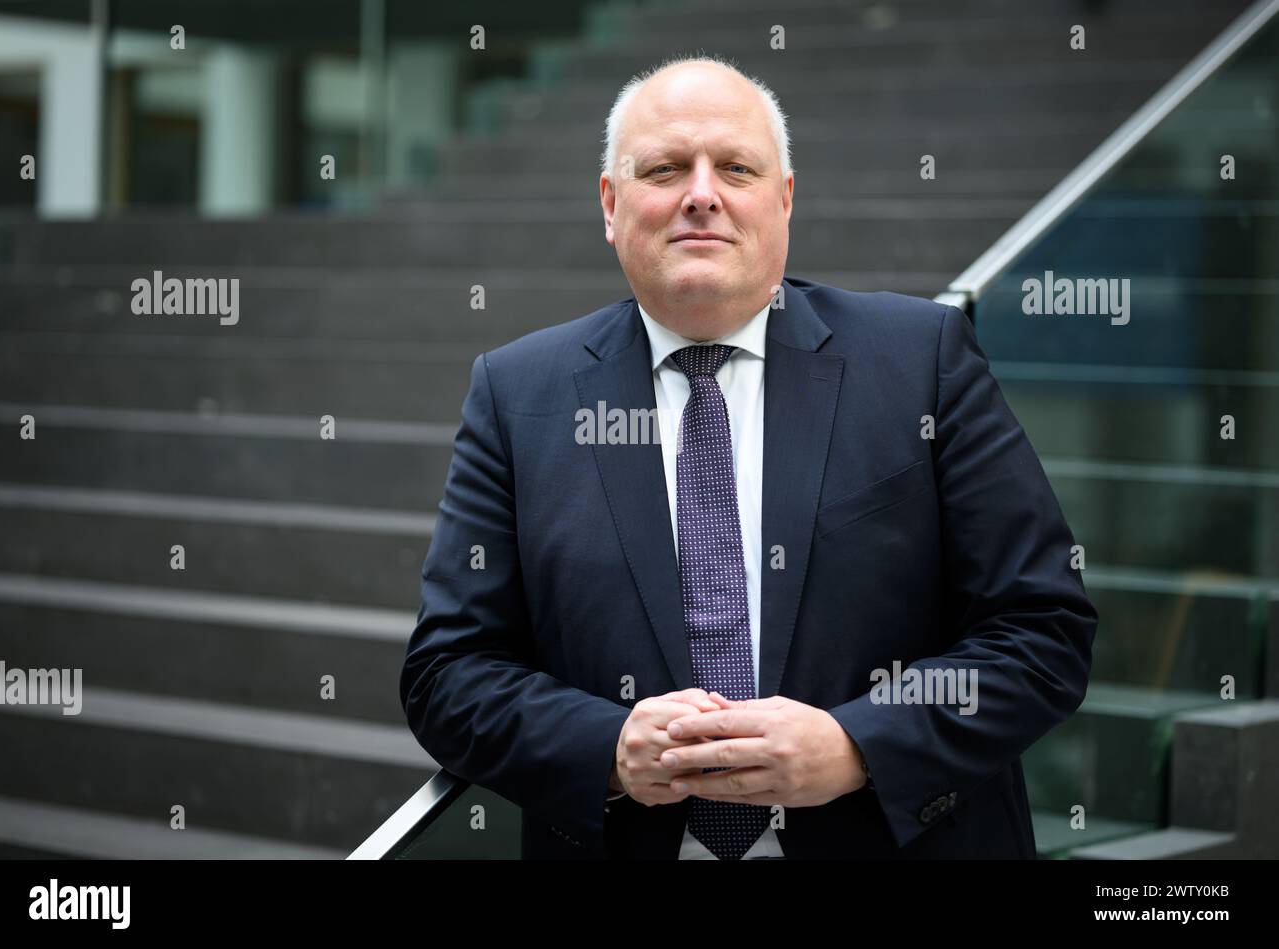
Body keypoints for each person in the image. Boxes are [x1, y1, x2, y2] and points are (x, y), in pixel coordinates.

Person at [399, 55, 1097, 859]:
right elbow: (447, 673)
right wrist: (608, 747)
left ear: (785, 198)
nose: (702, 193)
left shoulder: (922, 360)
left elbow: (1043, 629)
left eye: (736, 167)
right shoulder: (515, 394)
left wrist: (858, 744)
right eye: (665, 168)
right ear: (610, 203)